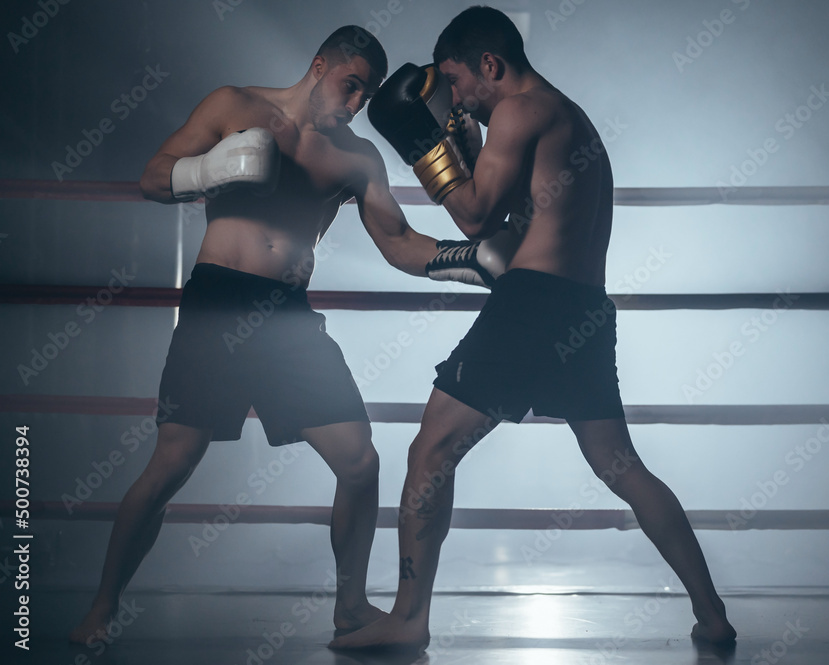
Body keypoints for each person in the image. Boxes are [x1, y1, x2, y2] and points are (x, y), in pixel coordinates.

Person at [69, 24, 505, 646]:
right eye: (350, 86)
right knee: (171, 464)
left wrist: (473, 260)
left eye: (367, 95)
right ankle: (102, 608)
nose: (355, 105)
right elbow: (152, 176)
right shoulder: (234, 106)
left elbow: (401, 244)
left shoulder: (357, 158)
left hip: (288, 316)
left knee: (360, 461)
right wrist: (210, 170)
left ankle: (350, 609)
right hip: (217, 304)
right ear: (319, 65)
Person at [330, 6, 737, 651]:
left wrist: (427, 148)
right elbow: (518, 221)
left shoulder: (520, 110)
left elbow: (474, 217)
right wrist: (467, 146)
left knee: (429, 453)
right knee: (621, 466)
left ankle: (408, 619)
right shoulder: (567, 117)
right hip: (581, 308)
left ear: (490, 65)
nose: (458, 100)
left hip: (533, 306)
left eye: (459, 84)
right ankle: (712, 615)